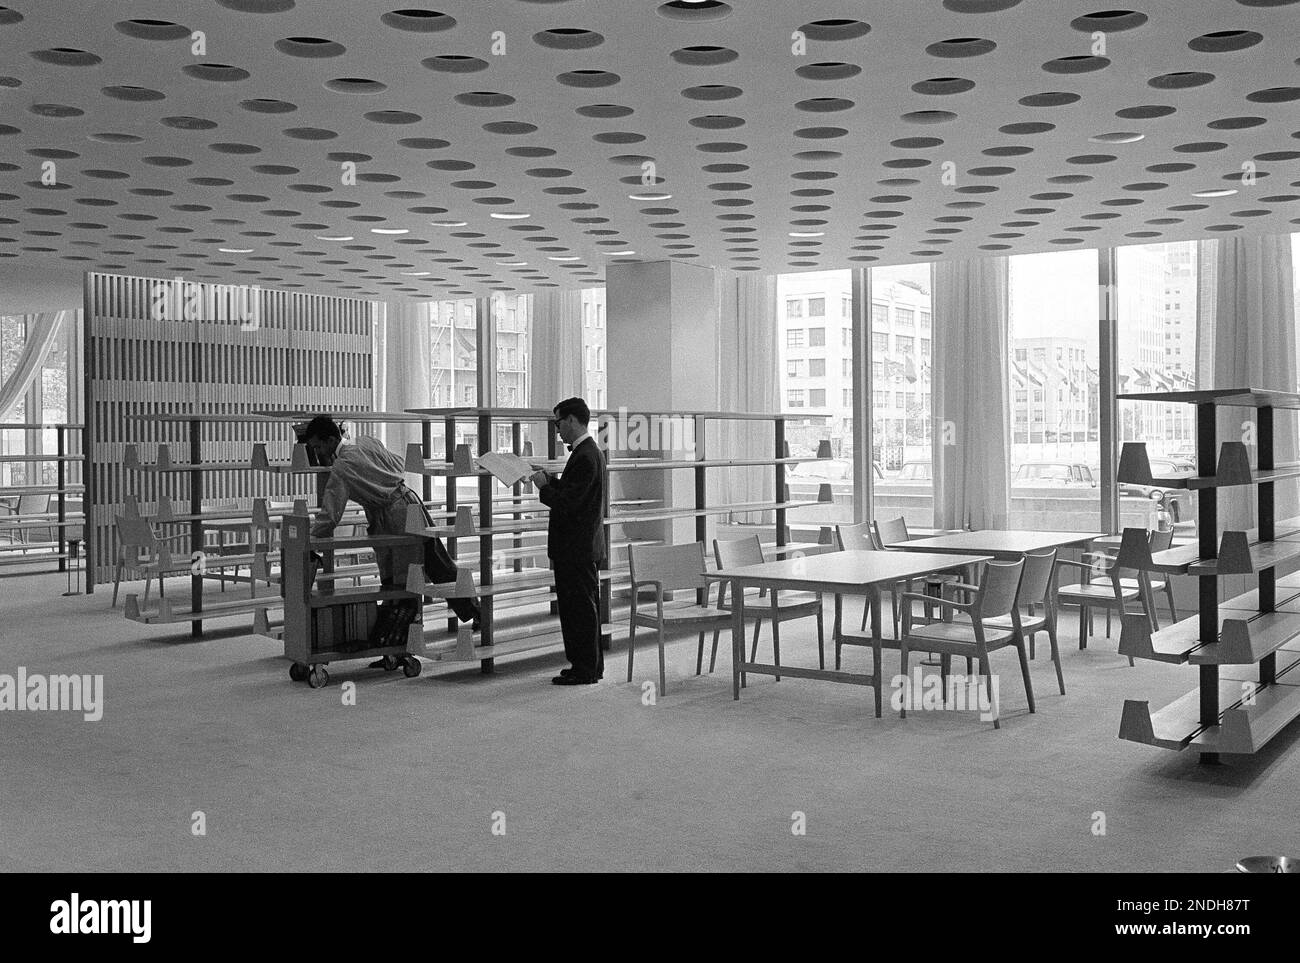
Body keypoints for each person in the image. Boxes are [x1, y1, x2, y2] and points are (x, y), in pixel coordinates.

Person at [303, 417, 480, 653]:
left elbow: (331, 514)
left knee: (399, 580)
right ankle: (476, 612)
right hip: (407, 500)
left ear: (331, 439)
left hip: (393, 516)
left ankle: (396, 642)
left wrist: (310, 539)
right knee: (437, 562)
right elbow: (397, 463)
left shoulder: (342, 467)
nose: (318, 452)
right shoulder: (366, 442)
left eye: (318, 446)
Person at [531, 397, 606, 685]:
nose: (557, 429)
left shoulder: (585, 455)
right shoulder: (588, 452)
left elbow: (568, 504)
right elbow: (576, 493)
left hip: (576, 548)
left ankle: (584, 669)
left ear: (572, 420)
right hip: (581, 546)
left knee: (579, 611)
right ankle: (587, 665)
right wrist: (552, 480)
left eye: (558, 422)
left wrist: (543, 489)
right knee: (583, 608)